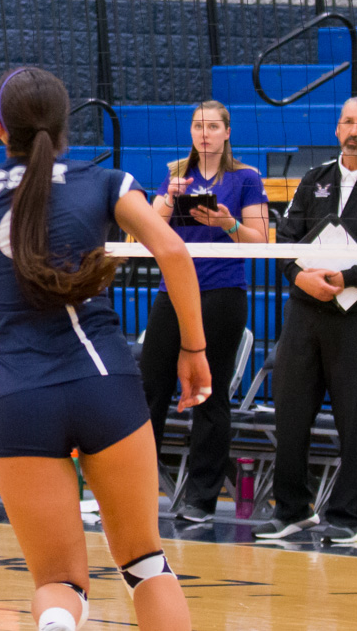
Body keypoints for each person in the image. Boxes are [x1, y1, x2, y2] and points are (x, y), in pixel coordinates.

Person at [0, 67, 209, 631]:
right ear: (63, 126)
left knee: (59, 582)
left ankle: (57, 622)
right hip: (103, 384)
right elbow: (174, 252)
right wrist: (193, 350)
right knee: (145, 563)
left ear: (0, 129)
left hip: (18, 397)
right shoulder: (105, 182)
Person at [255, 96, 357, 543]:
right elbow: (286, 239)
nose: (354, 130)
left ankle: (346, 516)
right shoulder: (314, 179)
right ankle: (291, 509)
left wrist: (345, 277)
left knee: (354, 419)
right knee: (290, 413)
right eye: (348, 121)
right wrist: (299, 276)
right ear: (337, 128)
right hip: (305, 312)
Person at [141, 99, 268, 525]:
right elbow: (148, 229)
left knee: (209, 395)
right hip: (173, 291)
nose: (205, 133)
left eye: (213, 126)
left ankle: (201, 500)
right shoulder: (177, 175)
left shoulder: (246, 178)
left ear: (227, 132)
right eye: (198, 125)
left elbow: (262, 242)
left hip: (222, 293)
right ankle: (136, 491)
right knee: (151, 389)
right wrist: (167, 199)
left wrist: (228, 224)